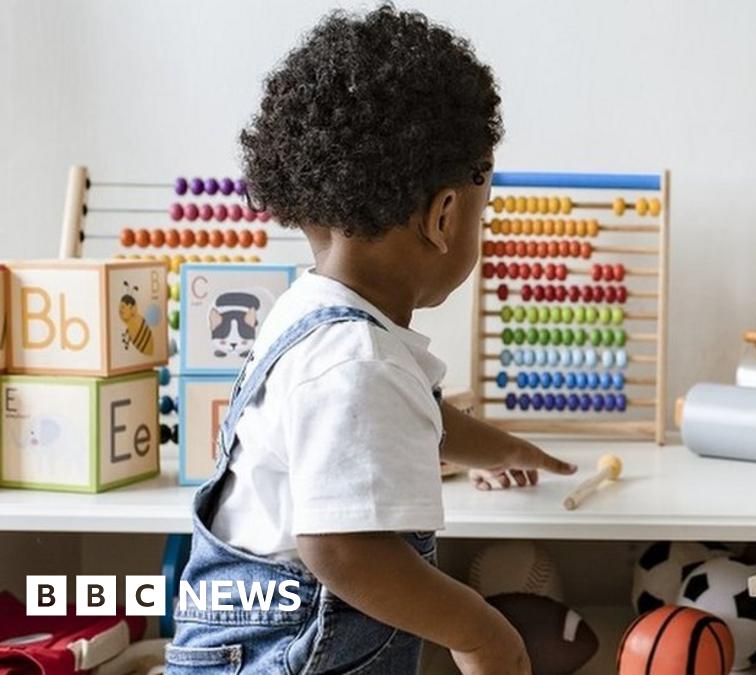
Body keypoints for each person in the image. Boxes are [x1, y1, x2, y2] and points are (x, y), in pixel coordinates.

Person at [167, 7, 574, 674]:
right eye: (484, 207)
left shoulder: (313, 316)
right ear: (445, 216)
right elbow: (342, 550)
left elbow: (400, 420)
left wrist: (493, 446)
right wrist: (483, 631)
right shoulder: (356, 360)